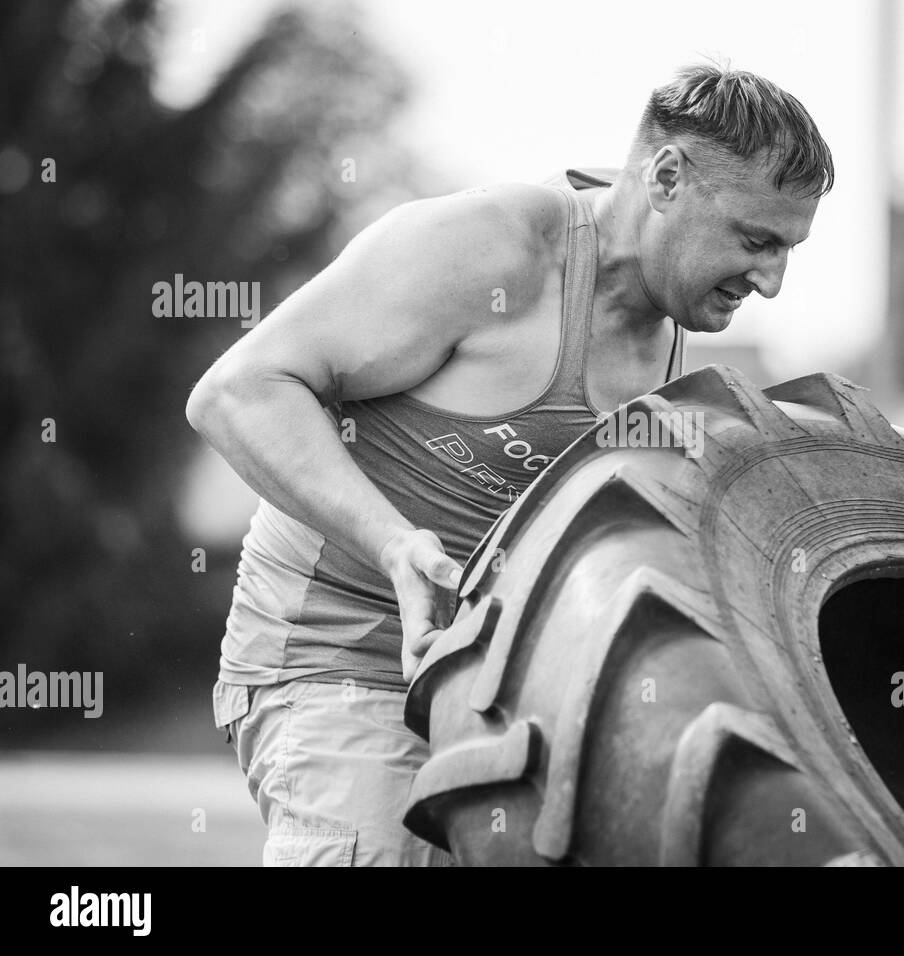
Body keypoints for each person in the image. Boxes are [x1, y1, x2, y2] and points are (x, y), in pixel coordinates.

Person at [186, 60, 834, 866]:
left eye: (788, 249)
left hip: (486, 698)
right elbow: (238, 392)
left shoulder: (671, 331)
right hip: (338, 665)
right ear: (666, 177)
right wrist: (393, 545)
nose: (771, 281)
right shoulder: (488, 250)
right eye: (756, 240)